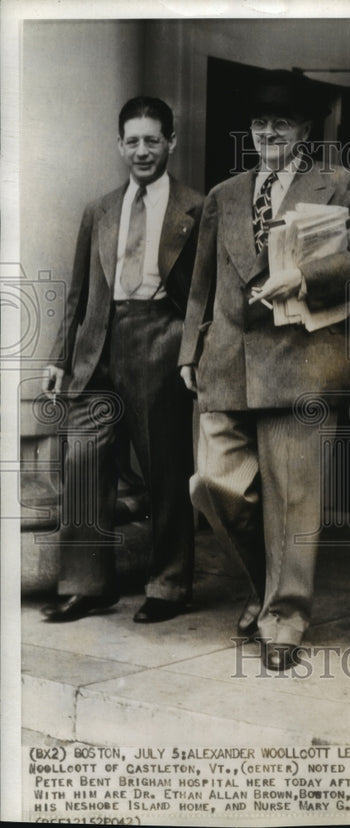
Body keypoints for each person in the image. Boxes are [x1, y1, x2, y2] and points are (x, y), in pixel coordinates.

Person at [179, 69, 350, 671]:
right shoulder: (224, 193)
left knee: (294, 501)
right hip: (227, 362)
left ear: (304, 130)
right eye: (260, 122)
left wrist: (309, 276)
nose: (268, 132)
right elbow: (202, 282)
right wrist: (189, 351)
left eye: (282, 123)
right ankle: (264, 591)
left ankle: (285, 617)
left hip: (302, 364)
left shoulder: (342, 184)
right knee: (214, 486)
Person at [41, 97, 203, 624]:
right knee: (83, 463)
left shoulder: (196, 209)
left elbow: (205, 294)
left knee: (164, 468)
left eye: (152, 140)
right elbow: (79, 290)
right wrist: (61, 356)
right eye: (132, 140)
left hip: (159, 339)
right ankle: (89, 586)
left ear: (171, 143)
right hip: (97, 347)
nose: (141, 151)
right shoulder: (100, 209)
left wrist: (190, 350)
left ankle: (169, 584)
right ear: (119, 145)